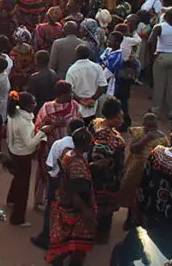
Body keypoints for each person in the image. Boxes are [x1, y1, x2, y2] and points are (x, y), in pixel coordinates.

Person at [47, 127, 96, 265]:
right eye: (91, 141)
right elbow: (76, 192)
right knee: (76, 248)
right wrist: (86, 212)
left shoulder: (69, 154)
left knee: (65, 243)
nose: (92, 144)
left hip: (65, 205)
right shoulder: (77, 164)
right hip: (76, 211)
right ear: (85, 143)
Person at [33, 80, 80, 210]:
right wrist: (55, 125)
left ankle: (57, 201)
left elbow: (79, 121)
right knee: (46, 175)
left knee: (63, 176)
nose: (71, 96)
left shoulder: (74, 105)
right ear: (61, 95)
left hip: (68, 148)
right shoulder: (47, 108)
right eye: (69, 93)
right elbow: (39, 128)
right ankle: (40, 202)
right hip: (50, 148)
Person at [89, 96, 126, 243]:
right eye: (119, 118)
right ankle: (100, 236)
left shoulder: (96, 123)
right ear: (113, 117)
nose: (121, 121)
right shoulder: (106, 134)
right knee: (104, 209)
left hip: (101, 178)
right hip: (106, 180)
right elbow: (98, 156)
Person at [5, 91, 45, 226]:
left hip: (14, 150)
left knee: (17, 178)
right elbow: (30, 143)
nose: (35, 105)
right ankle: (17, 218)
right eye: (32, 103)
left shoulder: (14, 113)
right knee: (23, 185)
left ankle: (11, 200)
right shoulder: (24, 122)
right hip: (23, 154)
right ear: (26, 105)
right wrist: (42, 132)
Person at [64, 44, 107, 125]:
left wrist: (81, 101)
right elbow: (103, 86)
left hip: (77, 109)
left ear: (76, 54)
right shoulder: (97, 67)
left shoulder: (72, 70)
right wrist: (93, 99)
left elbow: (68, 89)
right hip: (92, 108)